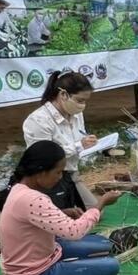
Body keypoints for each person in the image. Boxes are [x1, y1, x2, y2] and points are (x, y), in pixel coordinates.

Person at [0, 141, 121, 275]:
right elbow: (75, 232)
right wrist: (101, 203)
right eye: (58, 172)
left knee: (105, 244)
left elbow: (32, 220)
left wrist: (63, 213)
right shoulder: (32, 199)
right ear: (41, 173)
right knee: (111, 265)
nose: (60, 178)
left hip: (47, 252)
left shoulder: (19, 188)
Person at [23, 71, 99, 210]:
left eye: (85, 101)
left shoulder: (76, 114)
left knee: (95, 210)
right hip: (45, 178)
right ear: (63, 94)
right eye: (79, 100)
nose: (82, 105)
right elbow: (44, 157)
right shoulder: (38, 120)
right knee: (66, 219)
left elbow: (79, 138)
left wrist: (89, 143)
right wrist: (78, 145)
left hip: (70, 175)